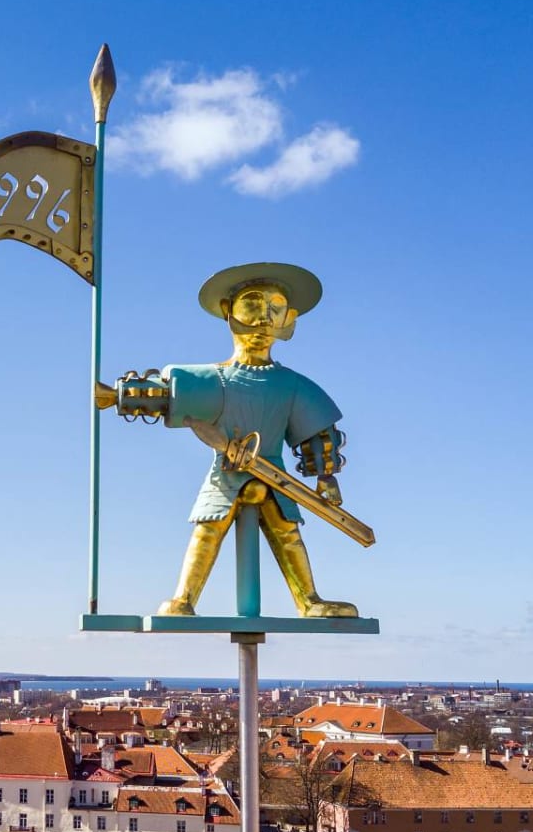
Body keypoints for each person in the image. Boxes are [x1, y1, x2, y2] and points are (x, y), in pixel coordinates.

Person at [96, 261, 358, 618]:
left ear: (288, 318)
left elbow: (317, 432)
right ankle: (184, 599)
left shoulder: (293, 385)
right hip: (226, 473)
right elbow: (163, 394)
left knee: (288, 534)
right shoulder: (215, 378)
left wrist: (326, 477)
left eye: (275, 308)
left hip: (273, 474)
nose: (263, 320)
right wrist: (117, 395)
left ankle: (308, 600)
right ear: (228, 311)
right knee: (208, 530)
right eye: (252, 305)